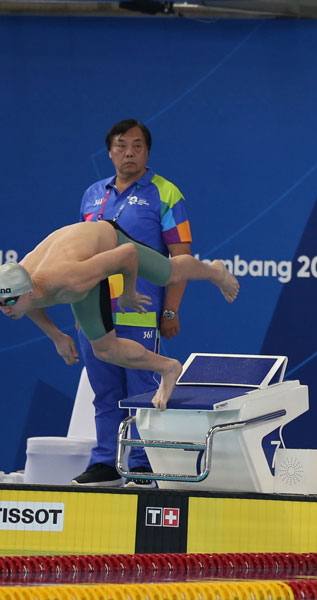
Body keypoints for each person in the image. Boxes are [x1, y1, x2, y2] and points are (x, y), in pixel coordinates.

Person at [0, 220, 239, 416]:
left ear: (29, 291)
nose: (5, 309)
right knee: (105, 350)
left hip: (106, 241)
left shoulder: (70, 279)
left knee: (167, 274)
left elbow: (127, 254)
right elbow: (29, 304)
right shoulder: (23, 289)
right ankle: (169, 367)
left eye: (10, 301)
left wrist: (128, 294)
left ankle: (215, 272)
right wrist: (56, 336)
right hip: (71, 256)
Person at [71, 119, 195, 487]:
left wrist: (170, 310)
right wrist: (79, 308)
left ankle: (140, 463)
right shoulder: (93, 194)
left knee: (141, 392)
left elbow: (181, 258)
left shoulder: (166, 194)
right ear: (109, 151)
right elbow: (79, 255)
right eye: (122, 145)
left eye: (137, 146)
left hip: (140, 311)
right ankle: (106, 461)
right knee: (105, 392)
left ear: (147, 152)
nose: (129, 152)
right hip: (95, 313)